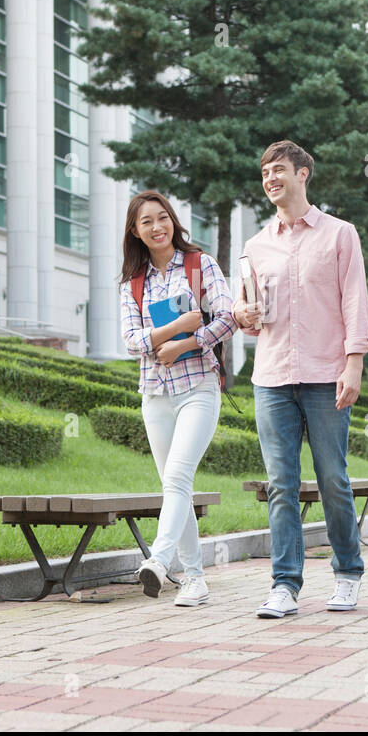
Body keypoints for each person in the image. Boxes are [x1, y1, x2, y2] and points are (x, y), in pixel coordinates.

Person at [233, 140, 368, 618]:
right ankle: (285, 585)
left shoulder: (340, 235)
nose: (271, 179)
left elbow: (355, 300)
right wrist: (243, 314)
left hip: (325, 374)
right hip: (272, 377)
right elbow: (247, 313)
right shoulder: (255, 246)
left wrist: (354, 362)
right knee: (281, 483)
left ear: (303, 175)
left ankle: (348, 573)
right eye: (265, 173)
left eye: (279, 170)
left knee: (333, 479)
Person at [119, 190, 237, 607]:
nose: (157, 226)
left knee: (178, 477)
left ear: (174, 221)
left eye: (163, 217)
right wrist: (174, 331)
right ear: (135, 231)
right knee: (174, 485)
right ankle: (195, 580)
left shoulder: (200, 264)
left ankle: (158, 559)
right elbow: (132, 341)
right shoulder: (133, 283)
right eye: (146, 221)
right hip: (154, 394)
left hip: (198, 388)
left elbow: (228, 316)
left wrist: (192, 341)